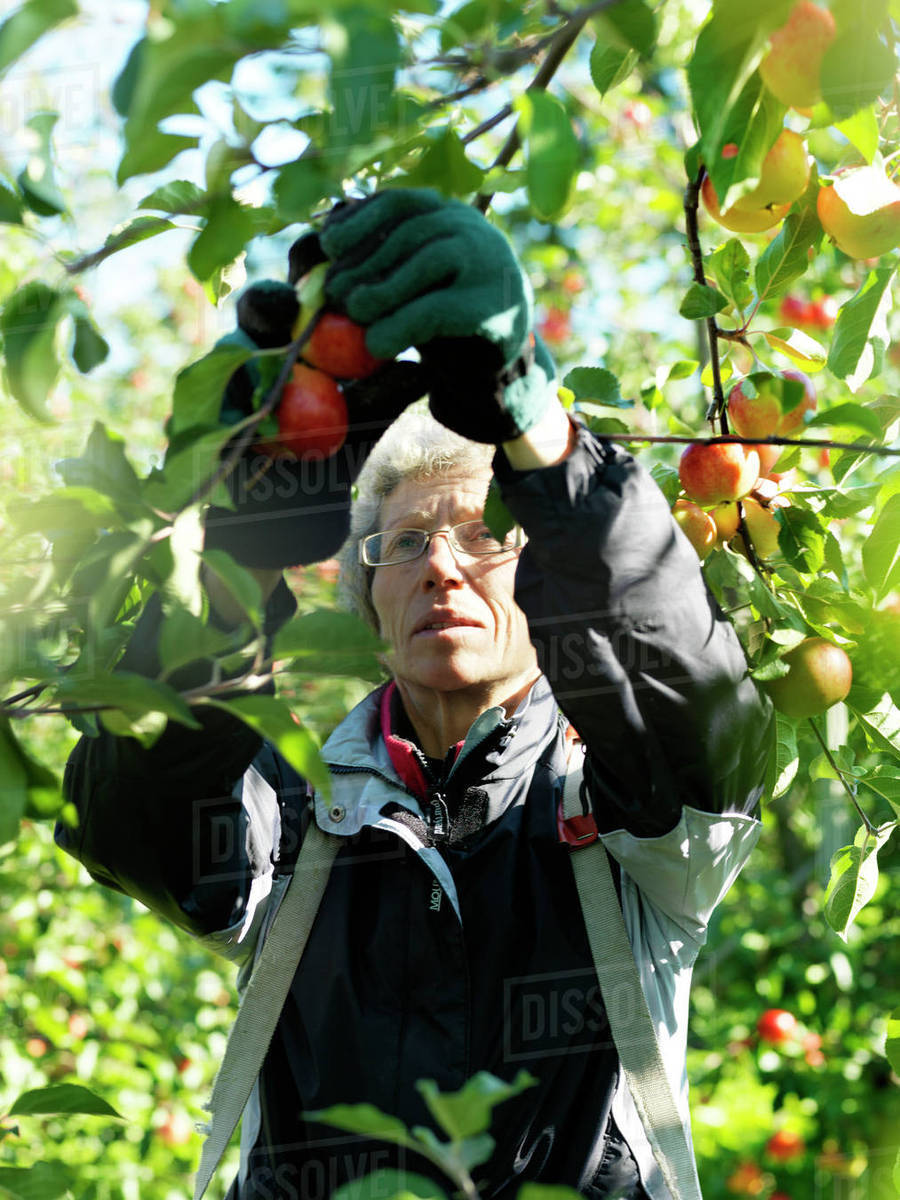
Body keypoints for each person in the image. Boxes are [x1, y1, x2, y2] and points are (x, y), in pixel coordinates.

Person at [57, 190, 773, 1200]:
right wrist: (232, 565)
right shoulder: (298, 824)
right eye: (403, 545)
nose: (443, 567)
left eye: (485, 534)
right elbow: (130, 812)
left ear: (547, 583)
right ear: (368, 605)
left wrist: (544, 440)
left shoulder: (624, 821)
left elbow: (697, 720)